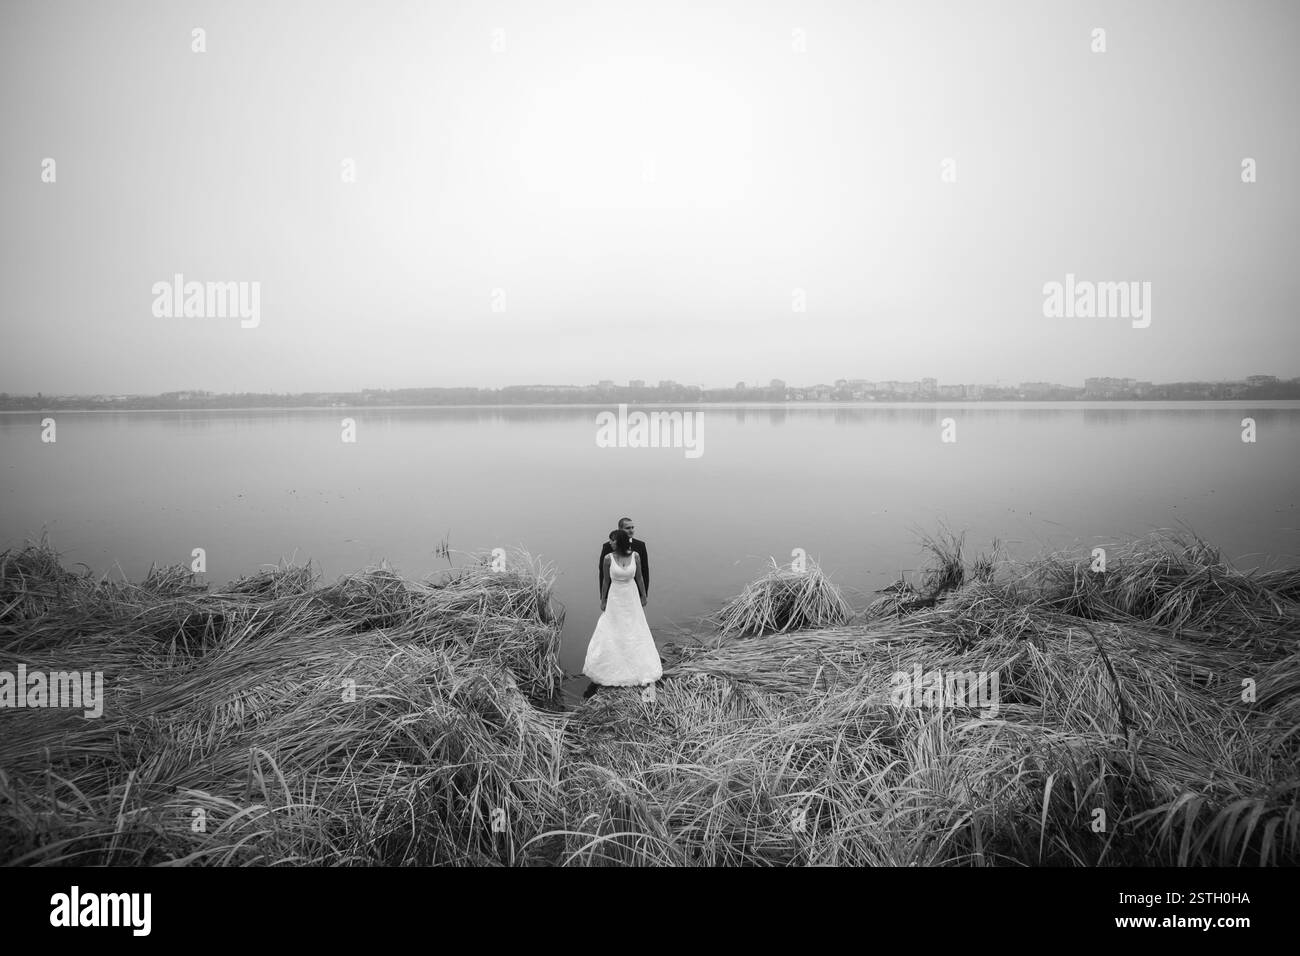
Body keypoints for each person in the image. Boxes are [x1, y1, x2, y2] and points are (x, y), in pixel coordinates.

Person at [582, 528, 662, 687]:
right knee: (614, 627)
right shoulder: (608, 559)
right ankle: (611, 665)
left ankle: (639, 665)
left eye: (612, 540)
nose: (610, 543)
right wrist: (603, 599)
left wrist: (643, 596)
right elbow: (606, 581)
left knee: (634, 627)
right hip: (615, 597)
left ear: (619, 541)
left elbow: (639, 577)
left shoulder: (635, 556)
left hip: (631, 596)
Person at [597, 517, 649, 598]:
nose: (631, 530)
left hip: (634, 593)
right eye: (628, 528)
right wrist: (604, 597)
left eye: (632, 527)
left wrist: (643, 594)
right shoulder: (608, 546)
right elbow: (603, 575)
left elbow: (644, 572)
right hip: (614, 594)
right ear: (620, 530)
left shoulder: (640, 545)